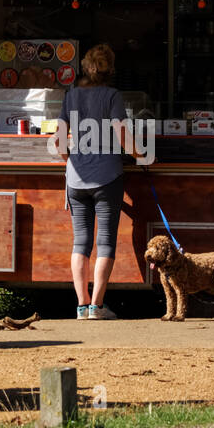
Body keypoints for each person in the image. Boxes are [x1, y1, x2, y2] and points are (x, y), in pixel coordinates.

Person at [51, 43, 131, 320]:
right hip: (107, 176)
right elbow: (123, 135)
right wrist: (141, 154)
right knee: (105, 242)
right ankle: (97, 306)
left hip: (76, 178)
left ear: (85, 66)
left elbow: (60, 143)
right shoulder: (112, 96)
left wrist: (72, 160)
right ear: (110, 70)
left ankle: (81, 306)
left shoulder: (70, 96)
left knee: (80, 242)